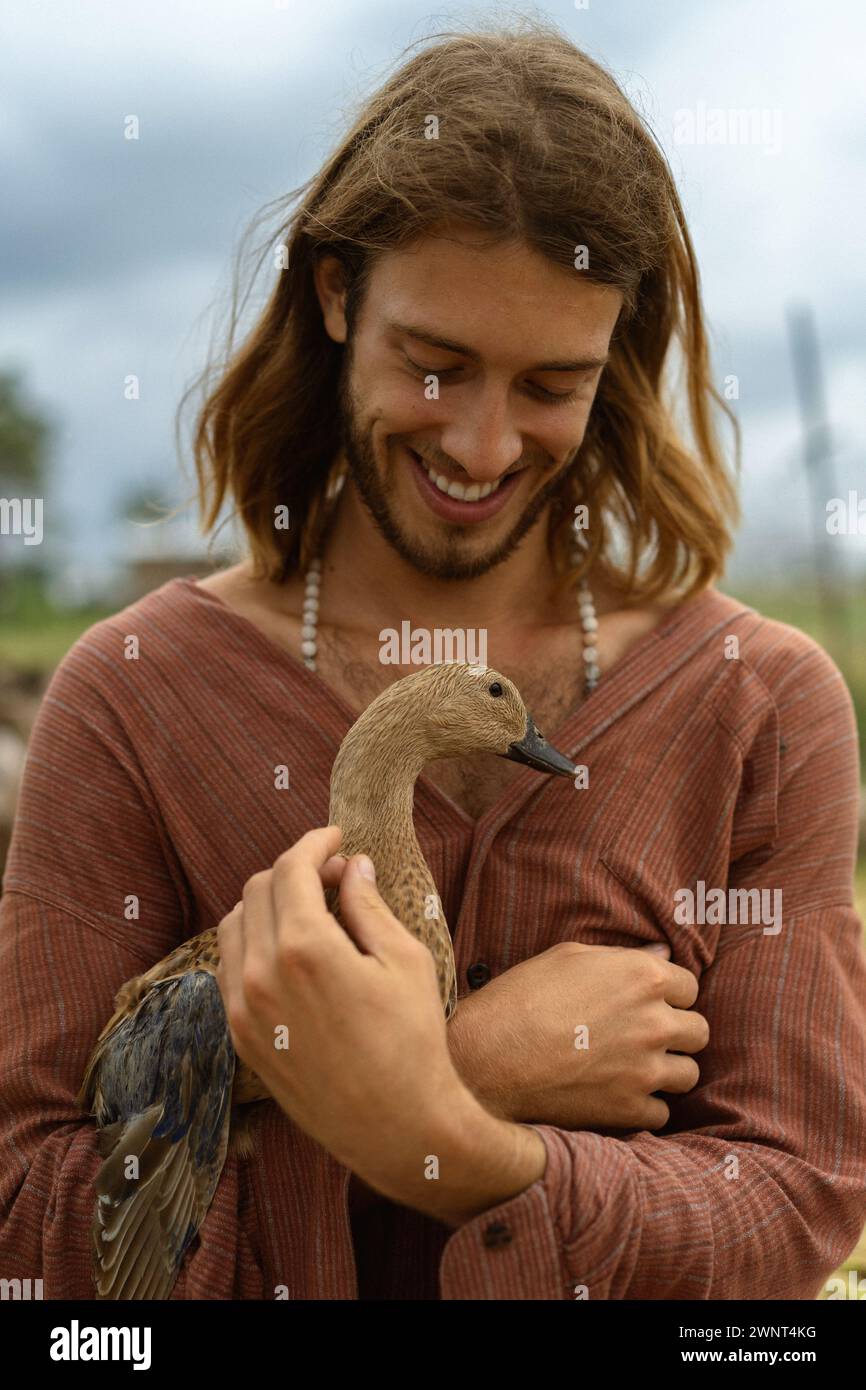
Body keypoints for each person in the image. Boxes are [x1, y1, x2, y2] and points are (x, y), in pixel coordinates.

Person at [1, 22, 864, 1301]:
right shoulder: (130, 697)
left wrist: (419, 1125)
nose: (480, 443)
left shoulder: (762, 705)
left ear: (614, 354)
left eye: (548, 384)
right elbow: (31, 1224)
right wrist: (463, 1076)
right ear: (336, 293)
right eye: (434, 363)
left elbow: (791, 1205)